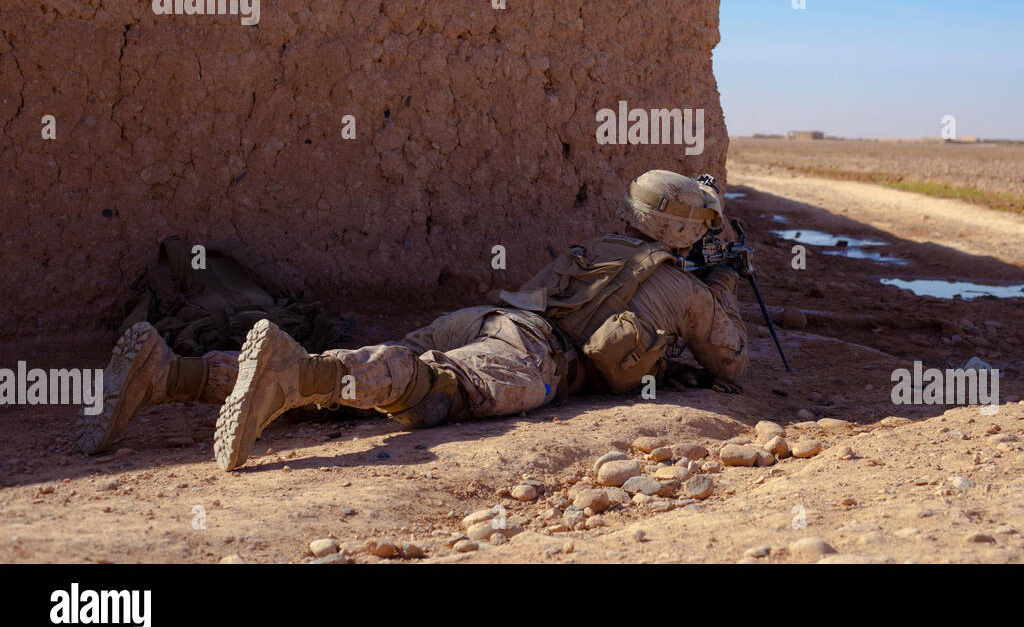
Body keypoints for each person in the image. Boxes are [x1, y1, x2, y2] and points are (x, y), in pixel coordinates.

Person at [79, 170, 750, 471]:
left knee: (361, 387)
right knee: (428, 391)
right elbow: (732, 363)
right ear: (683, 229)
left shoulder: (601, 248)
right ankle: (288, 370)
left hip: (489, 319)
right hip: (537, 356)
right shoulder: (680, 287)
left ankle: (172, 374)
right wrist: (722, 286)